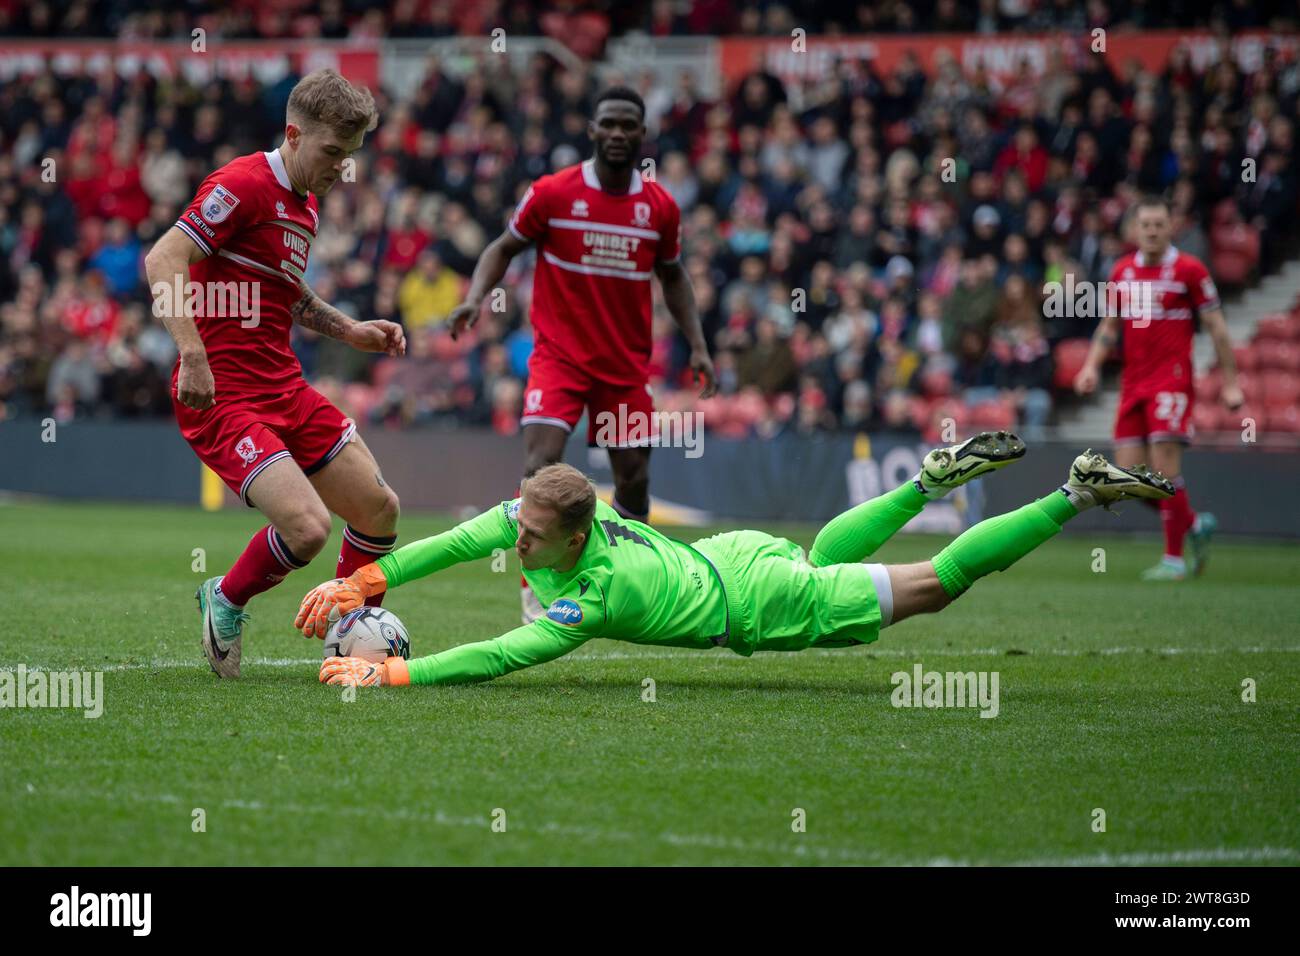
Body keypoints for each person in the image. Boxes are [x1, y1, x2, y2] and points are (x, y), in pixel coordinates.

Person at [295, 432, 1175, 689]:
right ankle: (926, 484)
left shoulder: (598, 590)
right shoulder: (542, 516)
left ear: (571, 537)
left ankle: (1075, 492)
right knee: (826, 550)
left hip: (754, 607)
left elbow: (503, 654)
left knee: (937, 587)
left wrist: (393, 681)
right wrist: (361, 578)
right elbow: (451, 544)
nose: (511, 541)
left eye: (526, 534)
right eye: (514, 524)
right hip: (735, 557)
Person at [144, 69, 405, 678]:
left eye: (351, 155)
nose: (343, 167)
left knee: (379, 510)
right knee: (310, 529)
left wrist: (352, 330)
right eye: (334, 153)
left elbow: (289, 295)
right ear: (293, 134)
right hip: (223, 394)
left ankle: (347, 631)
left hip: (283, 384)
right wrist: (192, 352)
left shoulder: (305, 205)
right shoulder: (242, 183)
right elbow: (164, 257)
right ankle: (225, 599)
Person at [445, 86, 717, 624]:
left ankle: (624, 579)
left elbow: (673, 275)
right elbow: (503, 246)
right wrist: (475, 297)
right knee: (539, 463)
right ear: (592, 130)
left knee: (634, 478)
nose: (617, 134)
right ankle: (533, 585)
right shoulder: (552, 193)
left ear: (642, 134)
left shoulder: (658, 207)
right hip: (560, 358)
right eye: (608, 124)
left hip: (622, 365)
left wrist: (700, 346)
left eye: (628, 125)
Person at [1073, 195, 1243, 580]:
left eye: (1158, 224)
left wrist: (1231, 384)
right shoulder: (1121, 271)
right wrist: (1090, 367)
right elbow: (1110, 327)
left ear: (1171, 227)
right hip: (1133, 383)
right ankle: (1195, 523)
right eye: (1145, 225)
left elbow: (1216, 327)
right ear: (1134, 229)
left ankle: (1173, 560)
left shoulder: (1189, 270)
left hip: (1172, 381)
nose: (1151, 231)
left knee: (1164, 473)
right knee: (1130, 477)